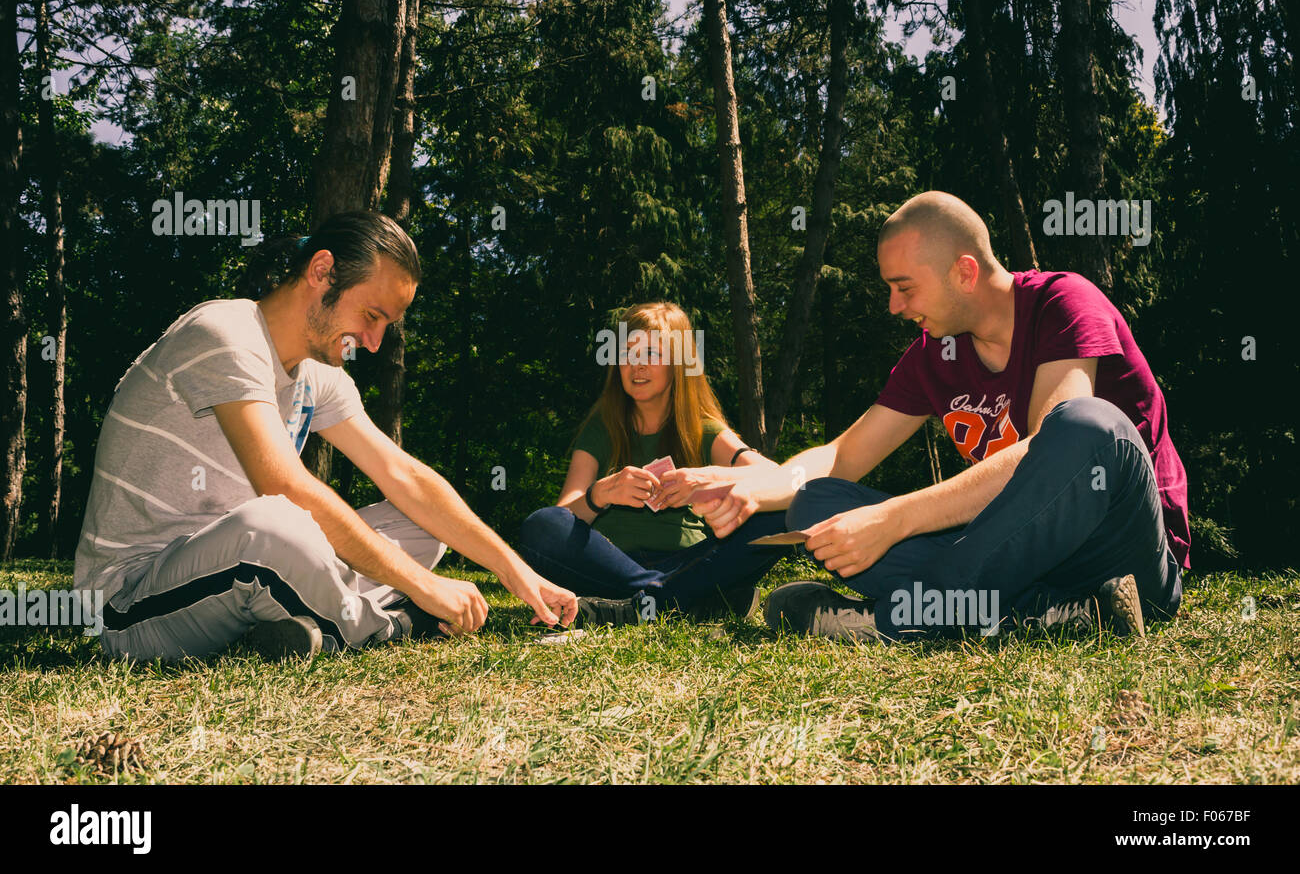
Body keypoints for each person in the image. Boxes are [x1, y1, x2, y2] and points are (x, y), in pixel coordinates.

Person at [74, 210, 577, 662]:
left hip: (233, 573)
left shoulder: (318, 375)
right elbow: (285, 485)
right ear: (321, 273)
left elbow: (405, 476)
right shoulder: (225, 333)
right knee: (273, 521)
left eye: (388, 326)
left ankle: (291, 623)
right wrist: (423, 587)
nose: (375, 342)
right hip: (131, 601)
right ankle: (398, 623)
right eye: (372, 316)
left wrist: (517, 572)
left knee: (421, 523)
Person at [694, 191, 1188, 643]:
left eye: (904, 287)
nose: (894, 306)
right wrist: (758, 487)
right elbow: (844, 453)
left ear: (965, 272)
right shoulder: (936, 354)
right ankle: (1054, 616)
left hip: (1121, 553)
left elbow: (1046, 447)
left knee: (1087, 424)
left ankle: (903, 619)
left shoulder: (1065, 304)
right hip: (1012, 557)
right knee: (813, 504)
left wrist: (897, 518)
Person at [517, 302, 790, 626]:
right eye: (627, 353)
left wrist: (708, 479)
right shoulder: (602, 427)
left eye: (651, 353)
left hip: (693, 564)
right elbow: (561, 517)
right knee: (540, 526)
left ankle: (640, 605)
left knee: (782, 511)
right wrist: (600, 494)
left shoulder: (702, 428)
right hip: (609, 565)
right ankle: (687, 601)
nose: (637, 366)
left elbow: (776, 477)